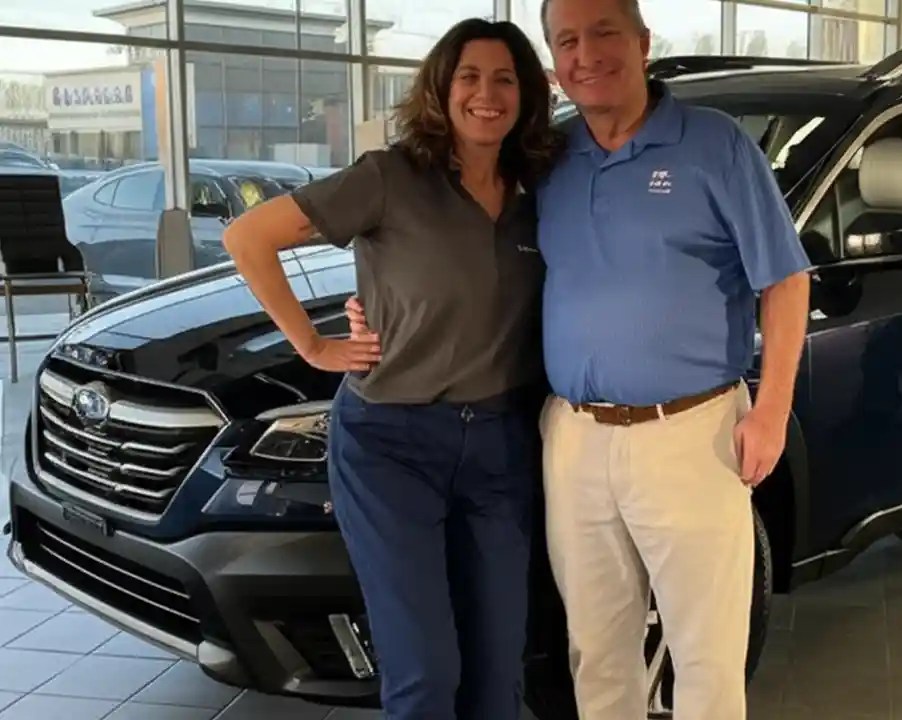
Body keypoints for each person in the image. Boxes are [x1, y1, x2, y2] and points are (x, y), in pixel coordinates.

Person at [348, 0, 811, 716]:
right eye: (567, 40)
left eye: (604, 34)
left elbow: (785, 278)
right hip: (573, 439)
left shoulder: (714, 145)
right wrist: (377, 309)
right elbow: (475, 257)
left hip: (692, 434)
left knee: (706, 658)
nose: (586, 54)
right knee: (595, 651)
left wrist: (774, 408)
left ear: (642, 42)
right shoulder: (552, 161)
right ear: (554, 62)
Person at [221, 18, 561, 720]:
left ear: (527, 95)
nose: (486, 94)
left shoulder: (541, 189)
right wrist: (314, 346)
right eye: (469, 76)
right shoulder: (391, 176)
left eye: (504, 79)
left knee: (498, 676)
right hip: (392, 445)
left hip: (500, 444)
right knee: (426, 676)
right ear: (441, 88)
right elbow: (248, 236)